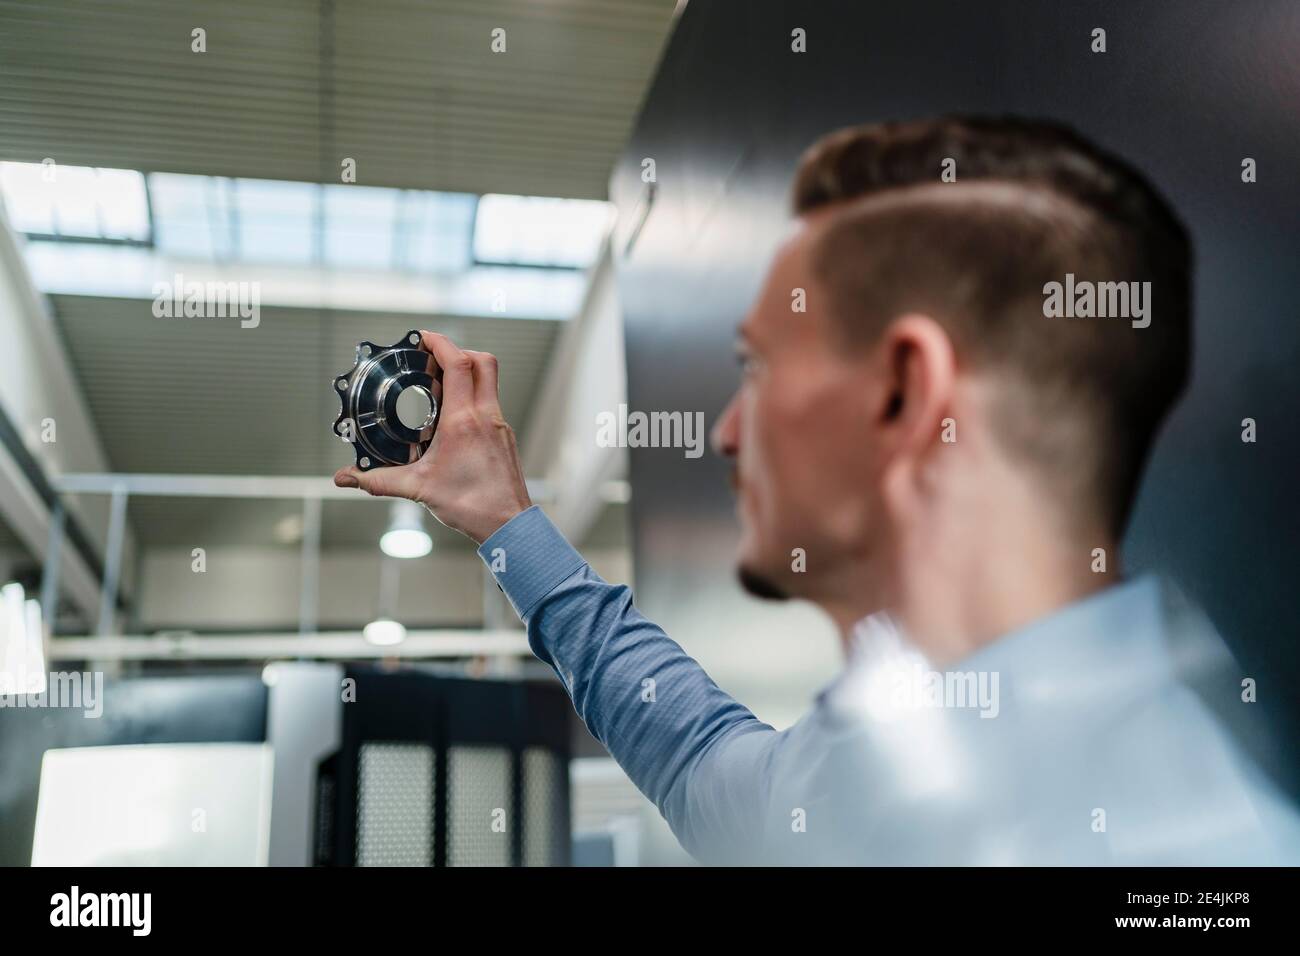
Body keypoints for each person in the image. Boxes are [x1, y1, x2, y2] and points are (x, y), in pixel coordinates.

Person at [335, 116, 1299, 865]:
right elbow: (700, 756)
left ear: (903, 393)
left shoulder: (1187, 852)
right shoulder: (866, 777)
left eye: (757, 368)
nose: (725, 431)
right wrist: (511, 524)